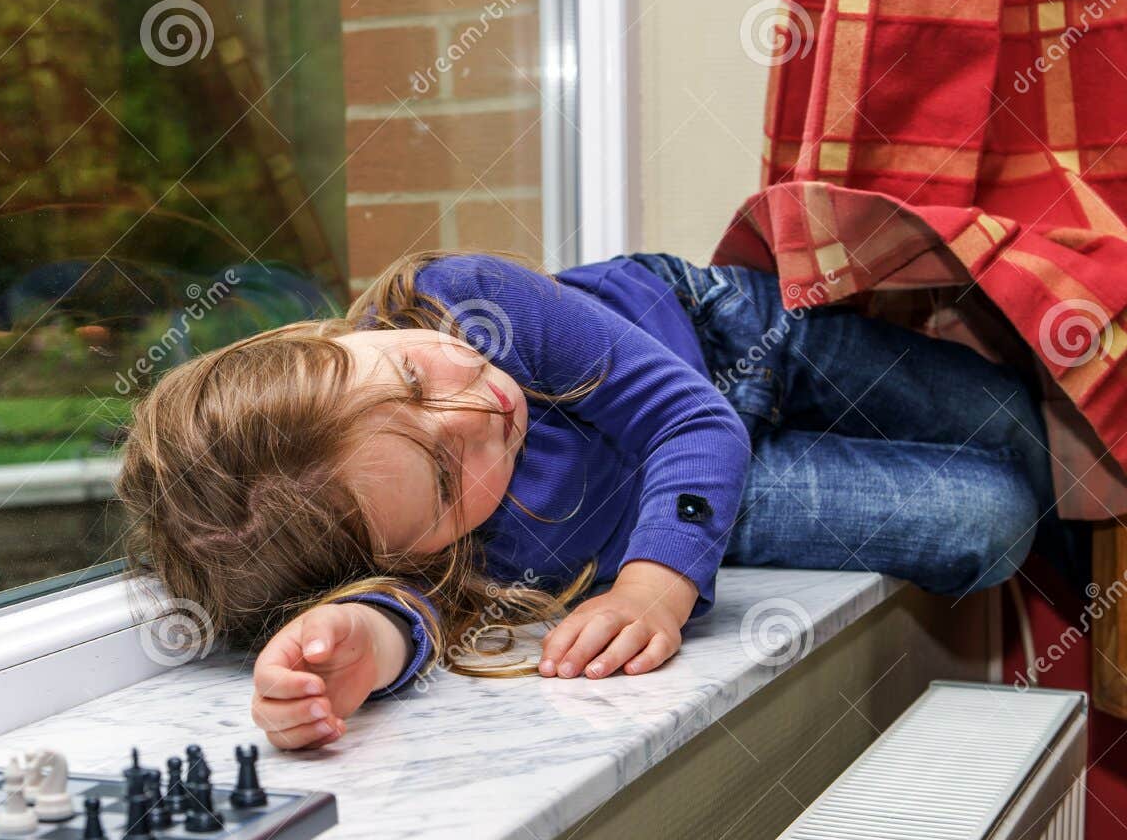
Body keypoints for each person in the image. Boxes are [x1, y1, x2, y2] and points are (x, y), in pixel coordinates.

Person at [116, 252, 1055, 751]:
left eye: (408, 375)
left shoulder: (466, 301)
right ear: (402, 553)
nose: (475, 405)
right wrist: (353, 648)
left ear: (334, 337)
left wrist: (653, 588)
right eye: (446, 478)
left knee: (1017, 419)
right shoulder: (423, 560)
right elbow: (404, 614)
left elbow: (690, 419)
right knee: (991, 518)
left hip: (719, 345)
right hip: (693, 492)